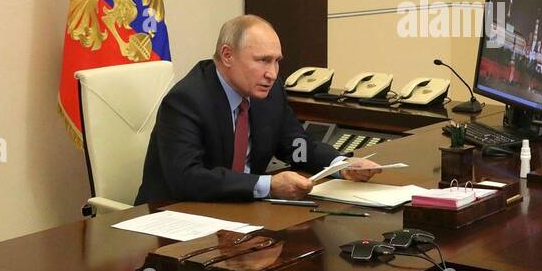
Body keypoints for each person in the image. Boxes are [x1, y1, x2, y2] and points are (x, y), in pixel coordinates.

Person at [135, 15, 382, 204]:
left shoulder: (269, 93)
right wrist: (267, 185)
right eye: (263, 60)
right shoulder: (186, 100)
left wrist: (340, 165)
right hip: (175, 218)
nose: (272, 74)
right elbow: (187, 179)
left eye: (276, 61)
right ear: (228, 55)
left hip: (240, 213)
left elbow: (295, 145)